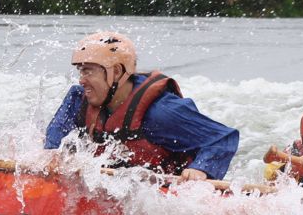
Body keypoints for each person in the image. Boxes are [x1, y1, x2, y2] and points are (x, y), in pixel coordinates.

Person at [43, 31, 238, 180]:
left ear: (117, 72)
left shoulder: (161, 113)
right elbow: (55, 136)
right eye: (80, 72)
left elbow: (221, 138)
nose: (82, 81)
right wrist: (52, 155)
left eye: (88, 72)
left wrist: (200, 169)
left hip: (162, 189)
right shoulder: (78, 100)